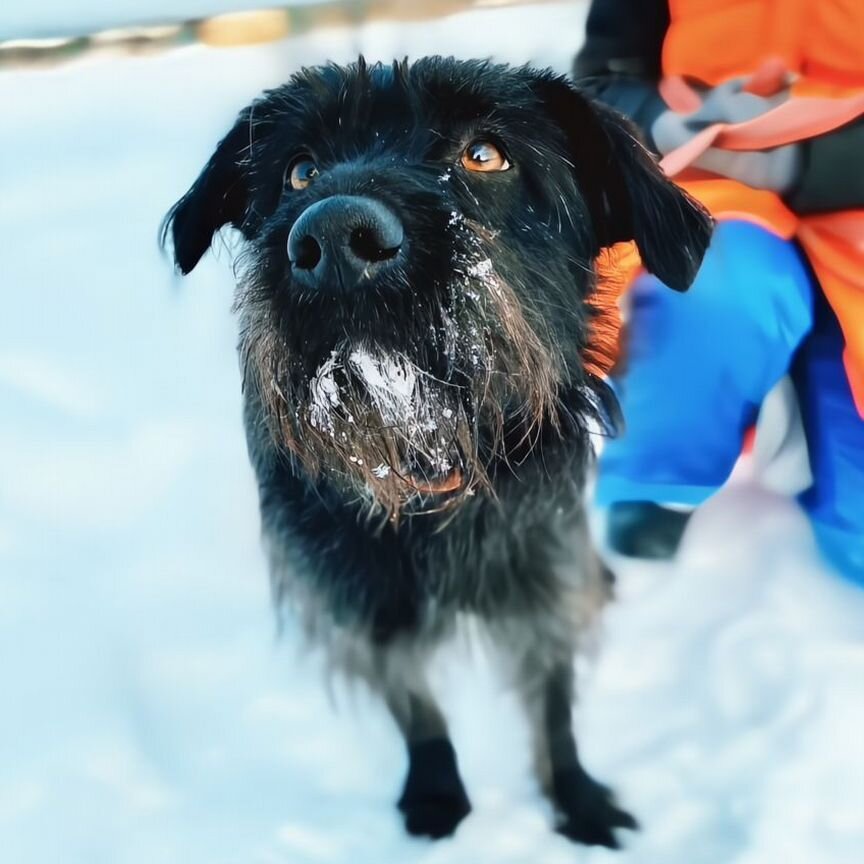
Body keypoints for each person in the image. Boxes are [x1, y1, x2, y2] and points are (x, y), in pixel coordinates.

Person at [574, 0, 864, 583]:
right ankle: (662, 472)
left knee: (856, 547)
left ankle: (795, 399)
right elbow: (601, 82)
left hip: (851, 198)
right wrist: (656, 123)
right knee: (710, 288)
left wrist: (804, 163)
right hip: (710, 182)